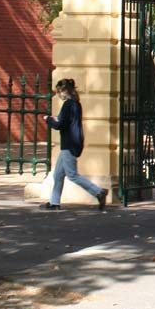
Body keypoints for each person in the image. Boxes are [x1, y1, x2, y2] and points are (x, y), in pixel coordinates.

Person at [44, 78, 108, 211]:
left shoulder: (68, 105)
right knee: (58, 174)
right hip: (72, 142)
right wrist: (57, 120)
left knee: (72, 175)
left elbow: (60, 125)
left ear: (65, 91)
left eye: (59, 92)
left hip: (69, 143)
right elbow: (66, 122)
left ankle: (99, 192)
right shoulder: (76, 104)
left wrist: (49, 120)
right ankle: (54, 202)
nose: (59, 95)